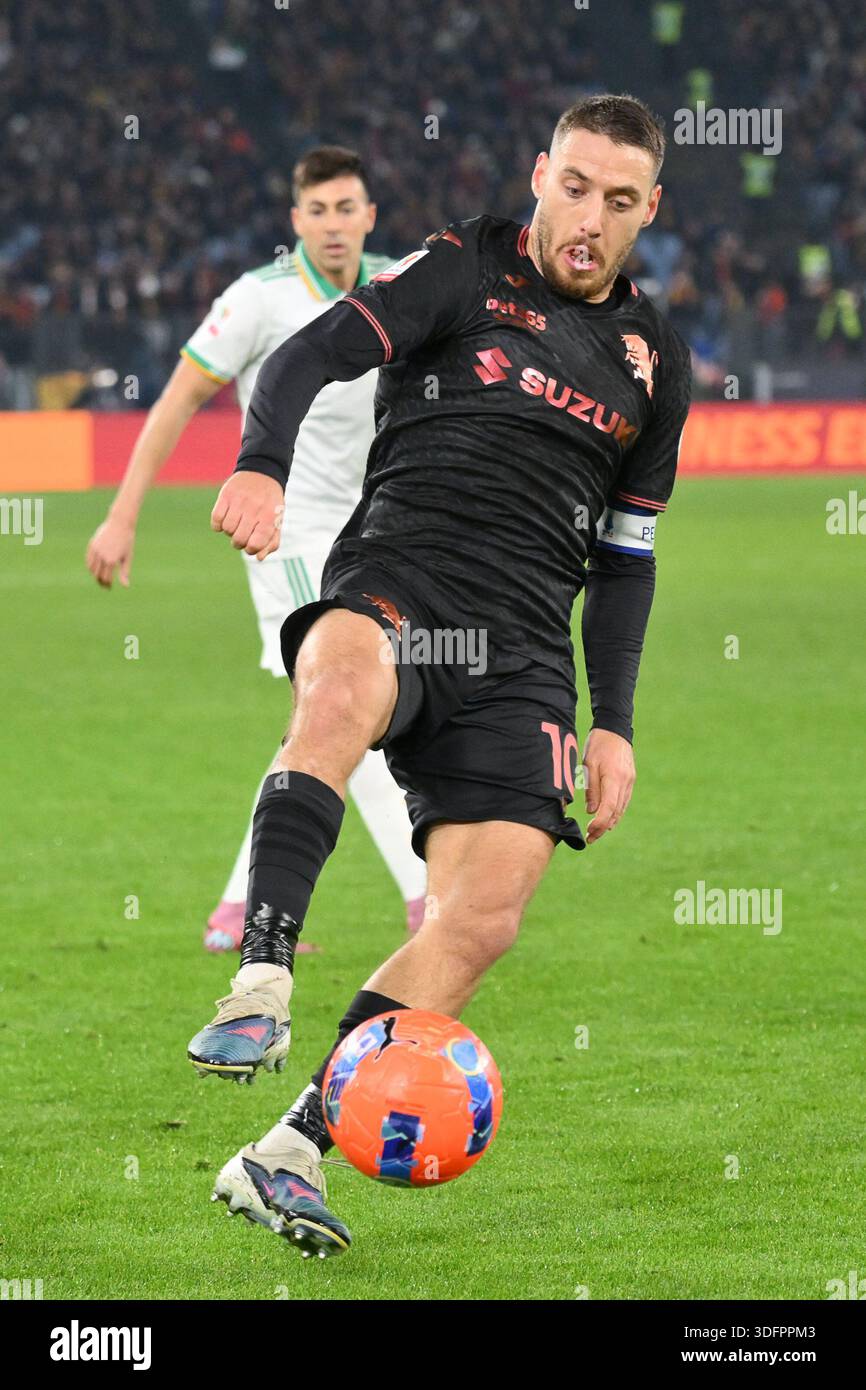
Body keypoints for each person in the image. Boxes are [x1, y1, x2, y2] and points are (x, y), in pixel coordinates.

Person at [188, 94, 692, 1259]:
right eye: (573, 187)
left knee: (483, 917)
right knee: (335, 694)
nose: (589, 218)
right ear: (538, 176)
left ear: (648, 210)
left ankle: (286, 1150)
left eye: (619, 201)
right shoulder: (462, 266)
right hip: (401, 587)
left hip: (520, 657)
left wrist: (610, 723)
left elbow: (623, 559)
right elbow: (311, 355)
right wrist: (259, 468)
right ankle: (261, 982)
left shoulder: (652, 357)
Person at [85, 146, 427, 953]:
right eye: (318, 211)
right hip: (286, 535)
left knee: (318, 720)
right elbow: (177, 400)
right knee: (355, 698)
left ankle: (237, 909)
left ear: (370, 216)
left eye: (348, 208)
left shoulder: (399, 289)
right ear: (295, 220)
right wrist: (122, 514)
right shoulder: (259, 301)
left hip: (369, 532)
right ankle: (427, 896)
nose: (334, 226)